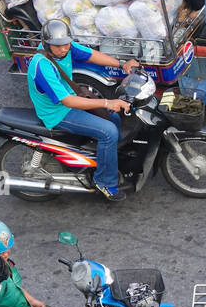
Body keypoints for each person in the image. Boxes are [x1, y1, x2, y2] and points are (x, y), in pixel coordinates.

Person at [27, 18, 139, 201]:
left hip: (71, 100)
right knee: (109, 131)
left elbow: (92, 55)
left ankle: (107, 158)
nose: (64, 48)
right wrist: (105, 103)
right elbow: (68, 101)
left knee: (114, 118)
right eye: (58, 46)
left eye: (66, 44)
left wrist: (122, 64)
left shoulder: (67, 49)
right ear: (46, 44)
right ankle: (104, 182)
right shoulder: (42, 66)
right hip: (57, 112)